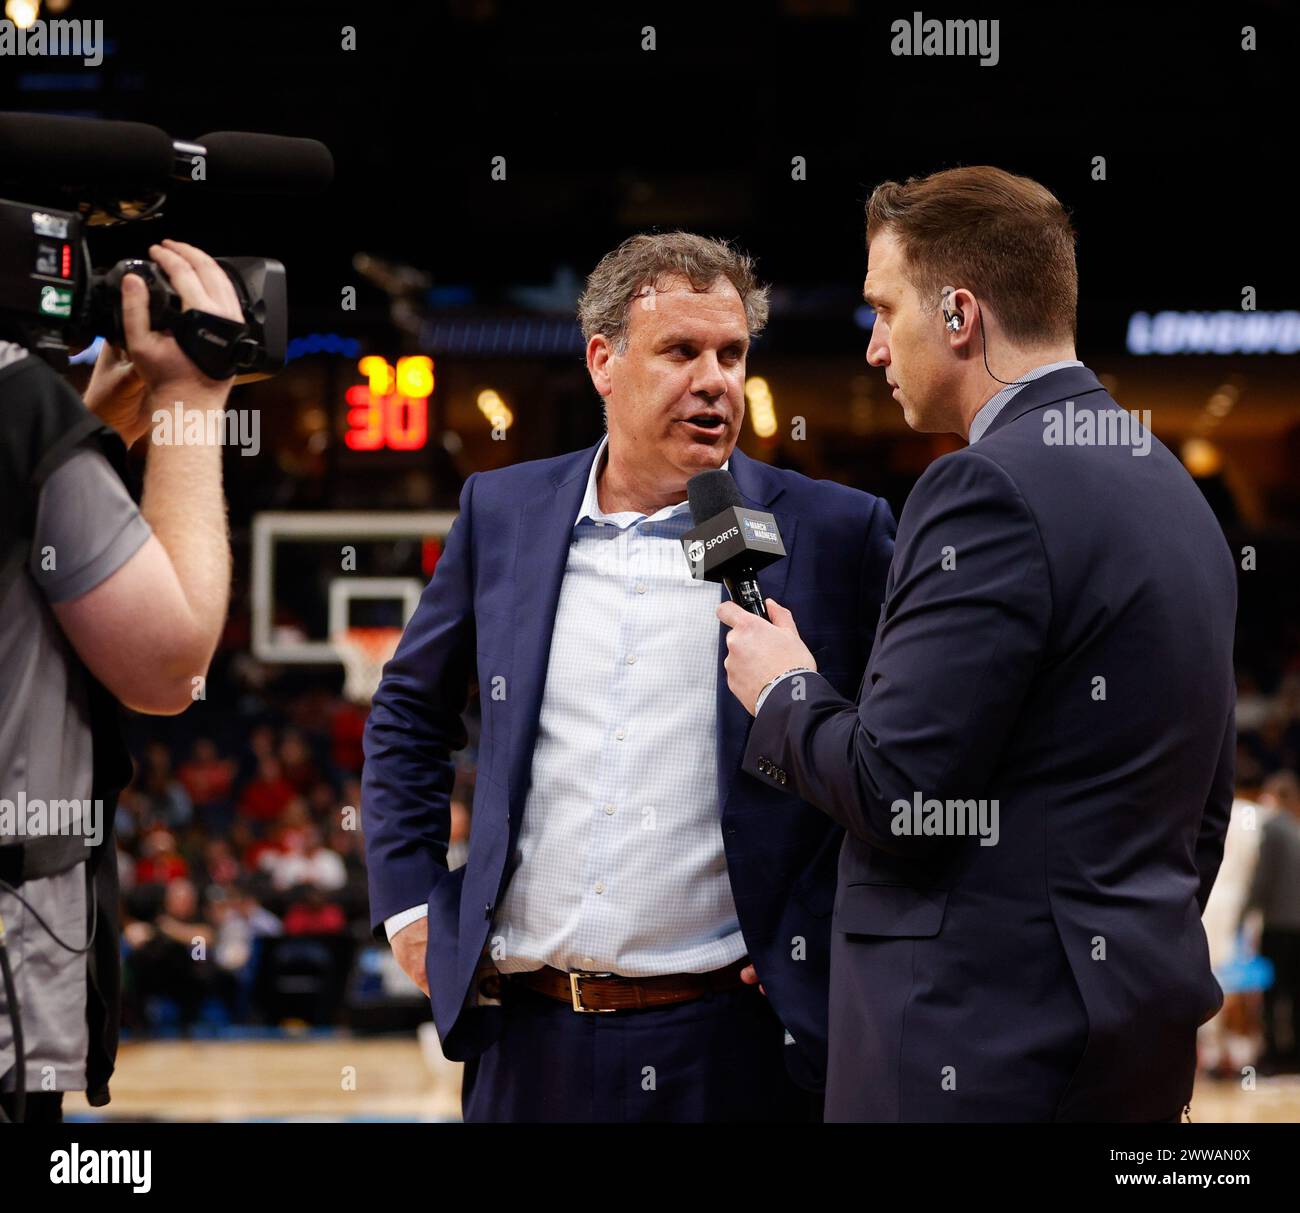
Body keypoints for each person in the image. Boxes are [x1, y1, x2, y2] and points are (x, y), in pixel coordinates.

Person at [718, 166, 1237, 1122]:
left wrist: (787, 689)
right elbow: (1203, 807)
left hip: (977, 1048)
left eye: (883, 309)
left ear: (959, 313)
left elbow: (901, 792)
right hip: (1133, 1036)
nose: (874, 347)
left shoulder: (982, 488)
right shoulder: (1172, 487)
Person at [362, 232, 896, 1122]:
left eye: (730, 353)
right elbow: (408, 716)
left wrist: (828, 920)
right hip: (526, 1041)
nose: (715, 379)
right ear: (604, 360)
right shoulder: (503, 513)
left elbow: (899, 750)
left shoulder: (837, 532)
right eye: (681, 351)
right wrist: (410, 905)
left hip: (737, 1041)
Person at [0, 240, 239, 1122]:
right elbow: (169, 664)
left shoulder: (32, 412)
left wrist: (81, 430)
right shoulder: (16, 401)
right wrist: (187, 399)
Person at [1241, 770, 1300, 1072]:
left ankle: (1273, 1056)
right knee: (1295, 990)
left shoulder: (1273, 827)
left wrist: (1244, 915)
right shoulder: (1296, 828)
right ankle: (1294, 1055)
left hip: (1278, 924)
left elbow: (1262, 880)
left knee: (1272, 992)